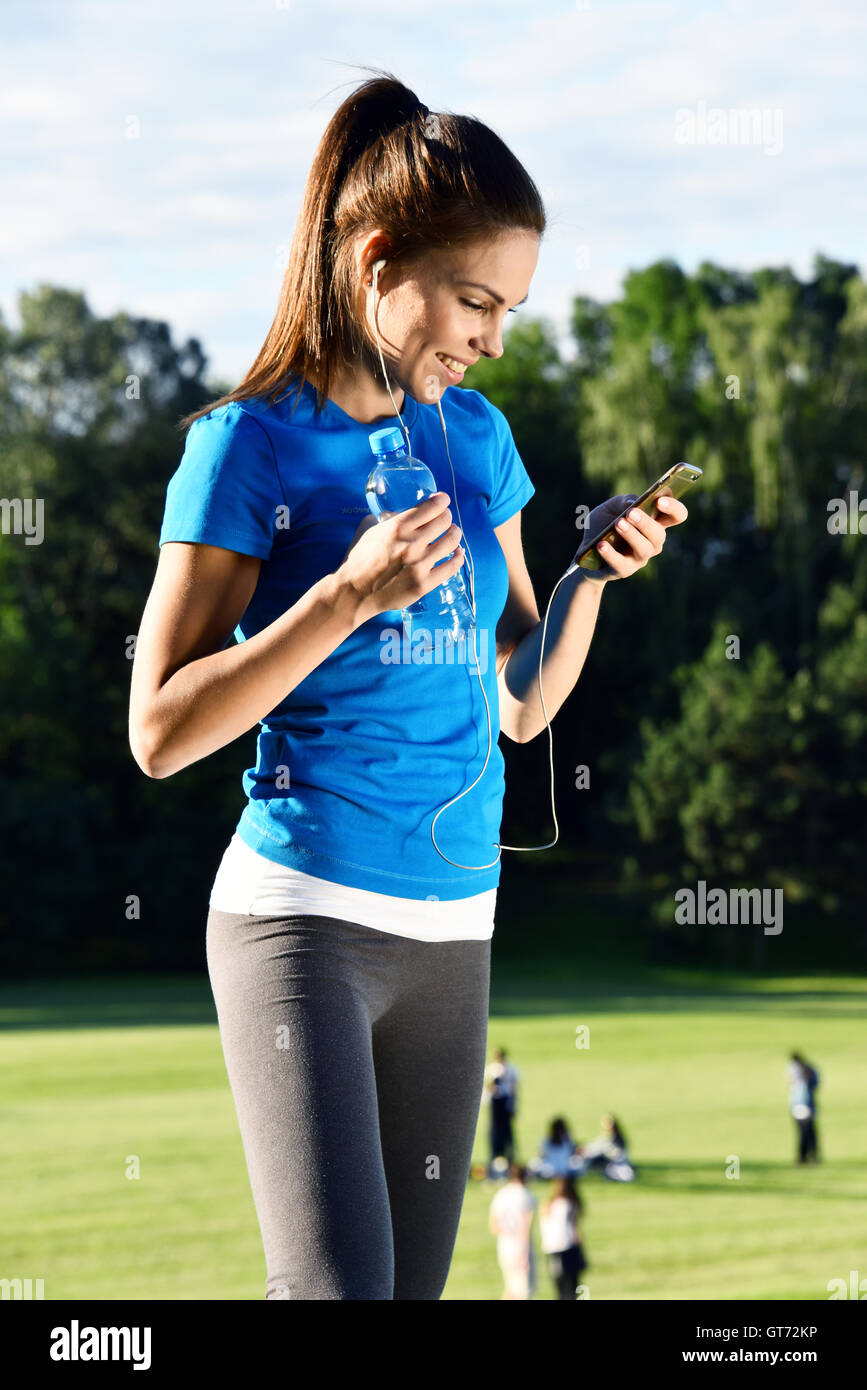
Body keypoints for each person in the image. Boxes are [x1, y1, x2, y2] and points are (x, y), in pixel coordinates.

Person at [128, 69, 687, 1300]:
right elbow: (160, 729)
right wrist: (342, 597)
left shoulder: (478, 442)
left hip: (456, 931)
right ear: (378, 264)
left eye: (513, 309)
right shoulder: (247, 447)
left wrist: (594, 576)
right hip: (302, 921)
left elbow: (522, 699)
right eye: (475, 300)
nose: (492, 337)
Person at [489, 1163, 537, 1299]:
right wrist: (524, 1253)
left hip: (504, 1245)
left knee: (510, 1289)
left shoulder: (501, 1194)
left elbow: (493, 1226)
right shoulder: (525, 1195)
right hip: (520, 1246)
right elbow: (524, 1227)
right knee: (524, 1291)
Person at [539, 1176, 588, 1299]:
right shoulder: (570, 1204)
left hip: (551, 1247)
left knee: (559, 1285)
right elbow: (574, 1228)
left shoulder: (549, 1204)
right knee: (572, 1286)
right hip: (567, 1246)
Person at [483, 1047, 519, 1170]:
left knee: (507, 1130)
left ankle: (510, 1157)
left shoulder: (511, 1069)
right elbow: (488, 1086)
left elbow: (514, 1088)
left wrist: (514, 1105)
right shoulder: (492, 1069)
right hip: (495, 1101)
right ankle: (495, 1155)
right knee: (495, 1130)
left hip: (505, 1101)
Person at [579, 1113, 636, 1182]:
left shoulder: (614, 1140)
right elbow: (595, 1146)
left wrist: (585, 1151)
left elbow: (597, 1149)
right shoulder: (608, 1138)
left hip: (619, 1168)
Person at [787, 1052, 820, 1163]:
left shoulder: (800, 1071)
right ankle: (808, 1157)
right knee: (807, 1134)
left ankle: (806, 1157)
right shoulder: (807, 1070)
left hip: (802, 1107)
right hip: (804, 1106)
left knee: (806, 1134)